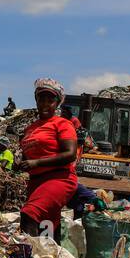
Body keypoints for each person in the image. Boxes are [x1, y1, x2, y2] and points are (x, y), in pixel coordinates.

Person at [16, 77, 79, 238]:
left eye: (50, 100)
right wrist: (21, 163)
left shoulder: (62, 124)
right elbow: (28, 154)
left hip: (59, 179)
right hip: (36, 181)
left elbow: (70, 154)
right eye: (41, 98)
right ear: (36, 100)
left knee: (29, 214)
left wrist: (36, 162)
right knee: (47, 226)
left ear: (57, 103)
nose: (45, 103)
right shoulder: (30, 128)